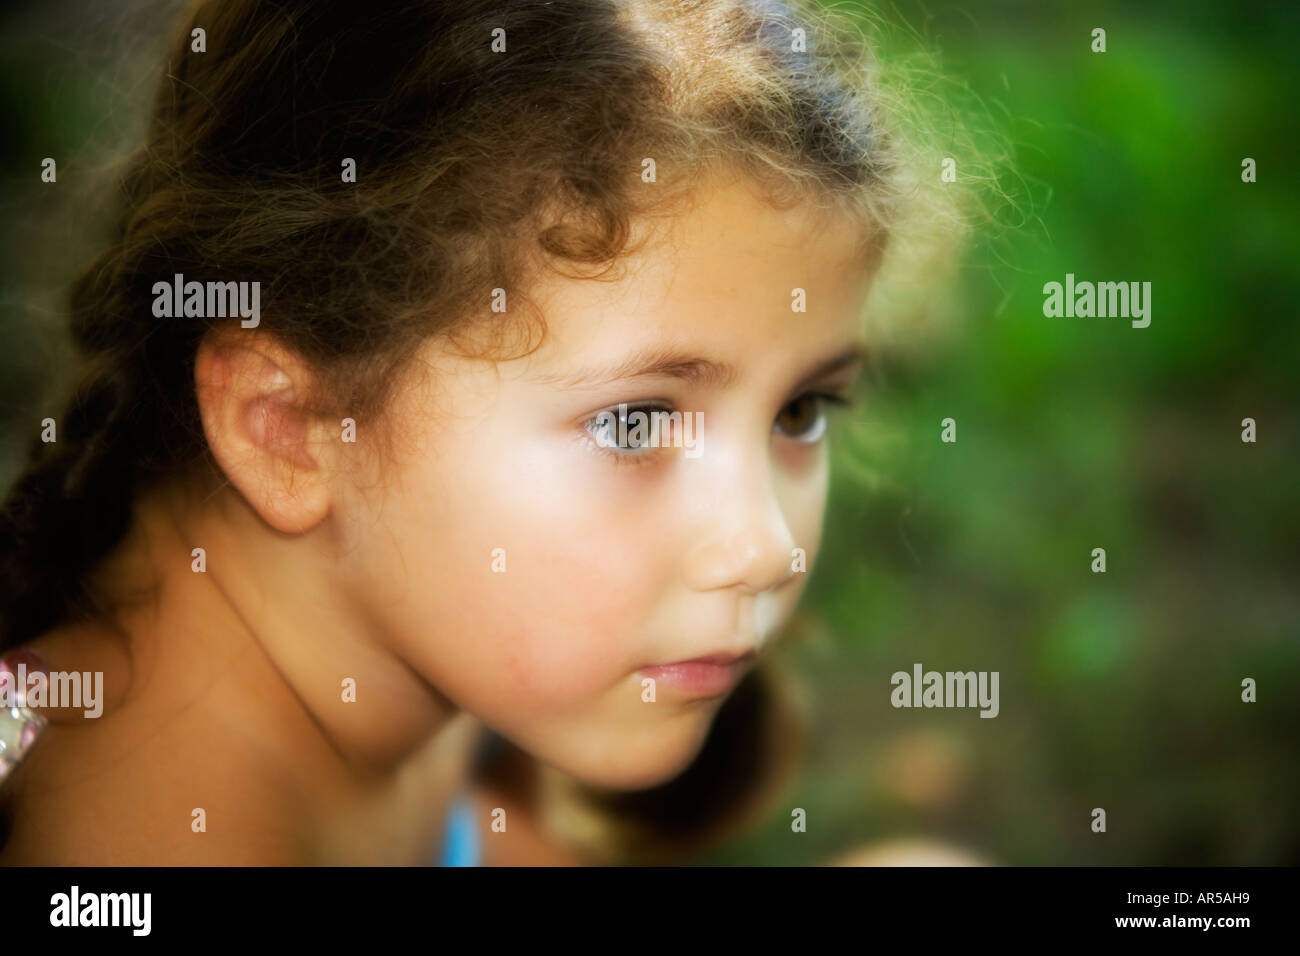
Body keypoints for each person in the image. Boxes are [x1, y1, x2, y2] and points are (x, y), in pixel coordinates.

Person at [0, 0, 971, 864]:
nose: (762, 546)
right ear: (286, 427)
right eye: (636, 421)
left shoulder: (415, 642)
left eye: (800, 411)